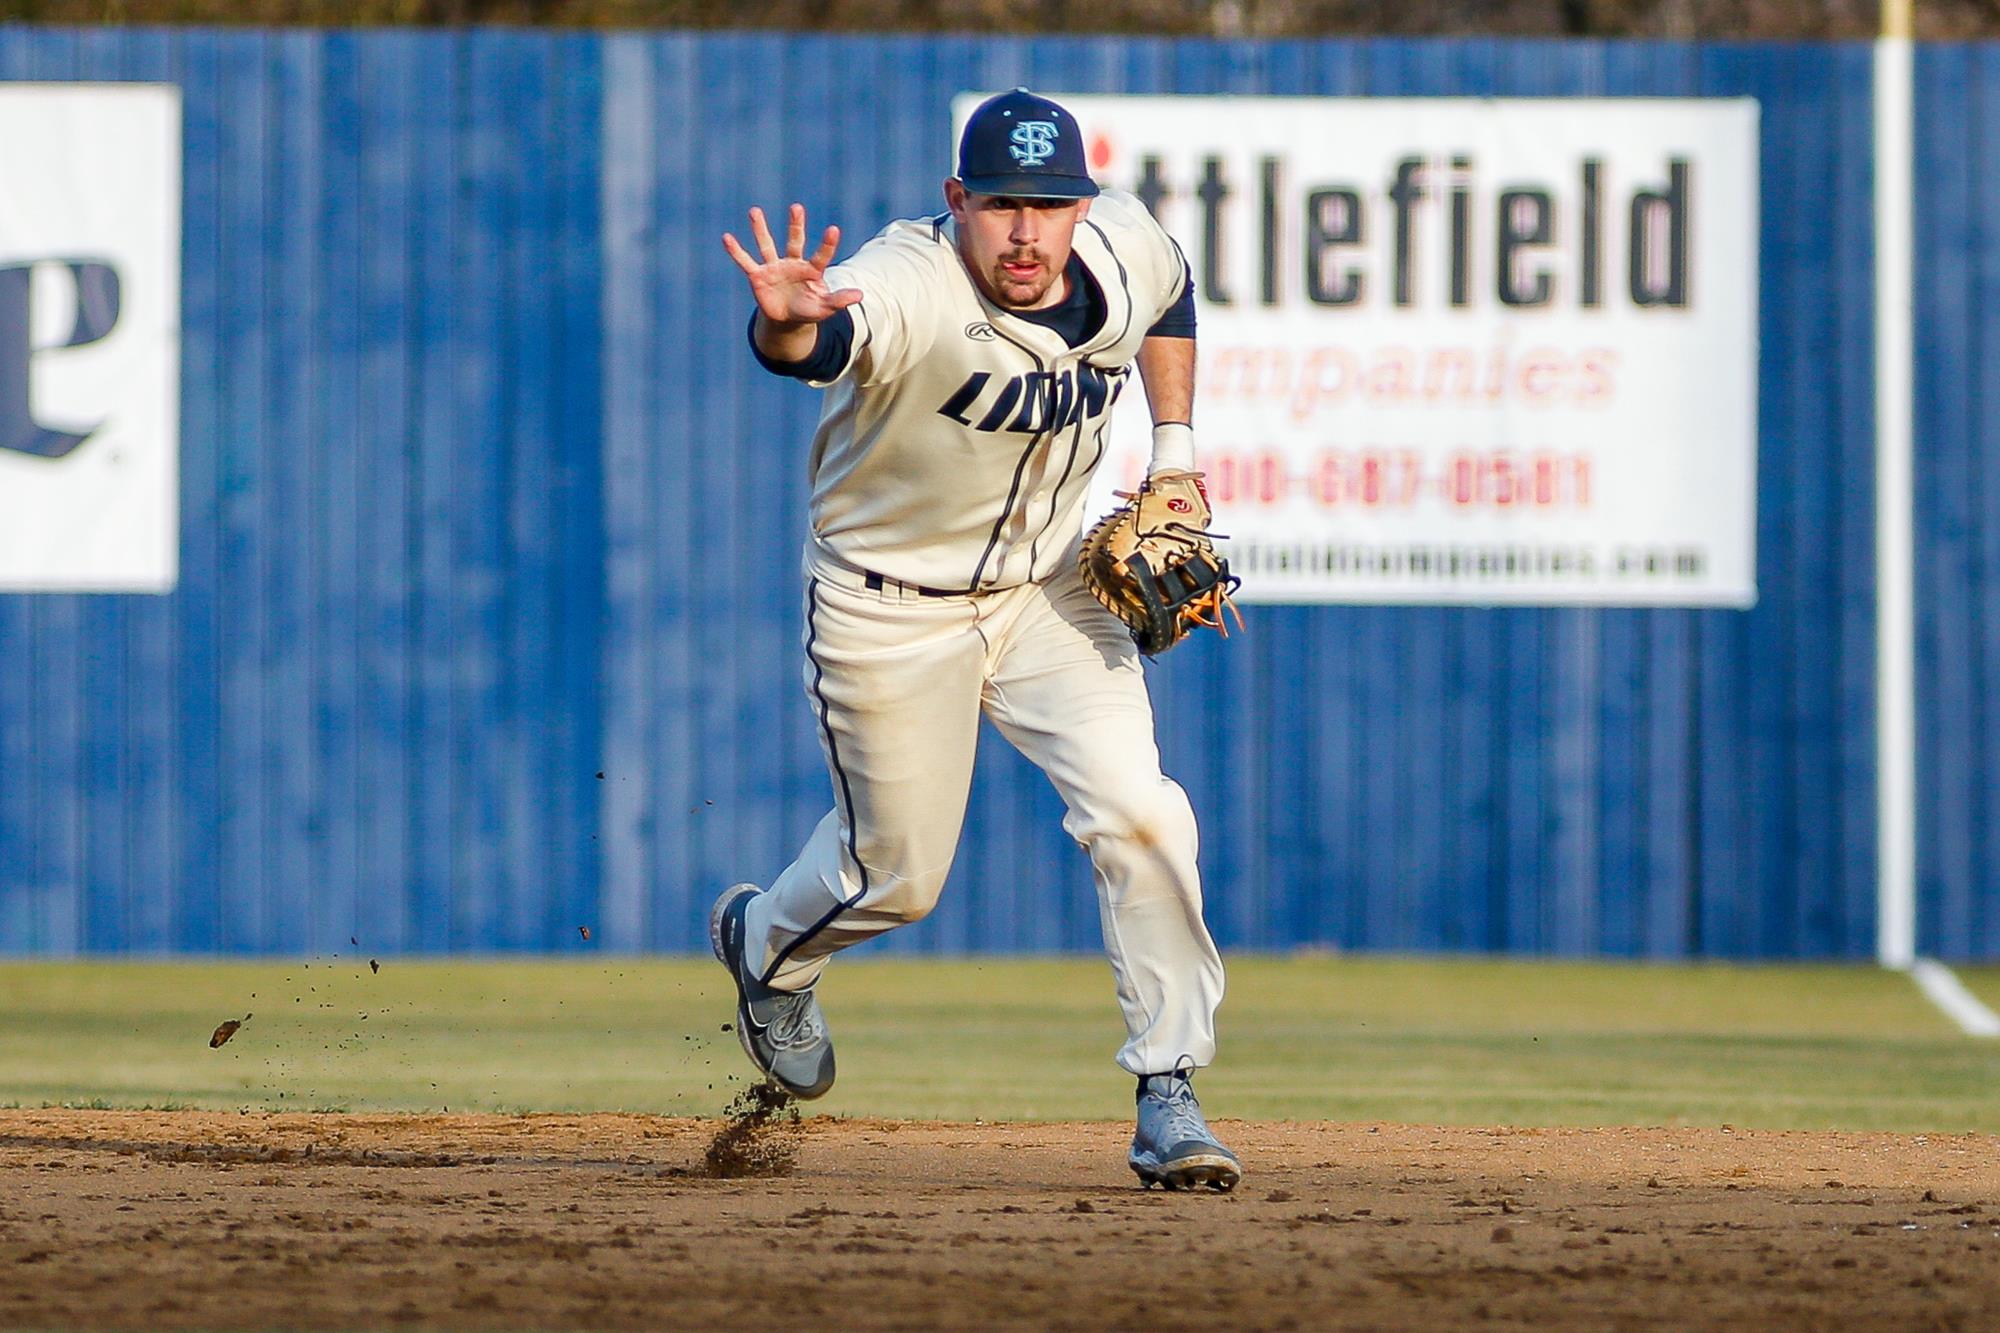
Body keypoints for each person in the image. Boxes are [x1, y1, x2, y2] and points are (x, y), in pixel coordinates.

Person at [711, 88, 1238, 1191]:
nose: (1025, 231)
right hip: (888, 603)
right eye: (1000, 203)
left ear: (1079, 206)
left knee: (1143, 814)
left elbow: (1171, 286)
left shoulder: (1121, 246)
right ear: (957, 201)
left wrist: (1174, 455)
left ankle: (1168, 1090)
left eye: (1049, 205)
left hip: (1047, 590)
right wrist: (784, 319)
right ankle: (765, 947)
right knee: (894, 878)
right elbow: (817, 344)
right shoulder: (909, 282)